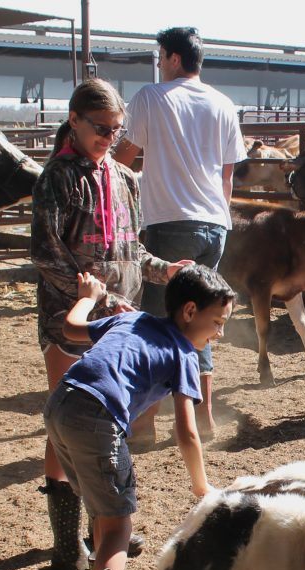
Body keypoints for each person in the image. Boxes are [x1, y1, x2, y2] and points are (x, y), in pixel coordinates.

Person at [32, 78, 192, 570]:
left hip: (119, 316)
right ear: (74, 120)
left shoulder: (124, 177)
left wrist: (165, 270)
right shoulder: (57, 177)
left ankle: (102, 525)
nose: (109, 137)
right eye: (101, 128)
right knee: (66, 417)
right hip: (72, 316)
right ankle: (67, 542)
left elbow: (132, 249)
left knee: (109, 420)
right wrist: (98, 297)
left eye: (116, 130)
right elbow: (46, 253)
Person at [43, 265, 235, 570]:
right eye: (217, 322)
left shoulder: (131, 319)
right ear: (189, 311)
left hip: (60, 407)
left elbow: (71, 330)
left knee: (103, 514)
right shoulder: (184, 354)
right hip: (98, 418)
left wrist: (88, 298)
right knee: (118, 529)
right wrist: (202, 486)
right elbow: (187, 432)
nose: (219, 333)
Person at [114, 26, 249, 443]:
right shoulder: (223, 104)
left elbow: (121, 158)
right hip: (214, 225)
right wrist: (218, 217)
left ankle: (144, 424)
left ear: (173, 58)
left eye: (160, 58)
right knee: (201, 320)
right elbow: (227, 175)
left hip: (169, 223)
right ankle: (203, 420)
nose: (159, 65)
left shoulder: (151, 98)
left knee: (158, 322)